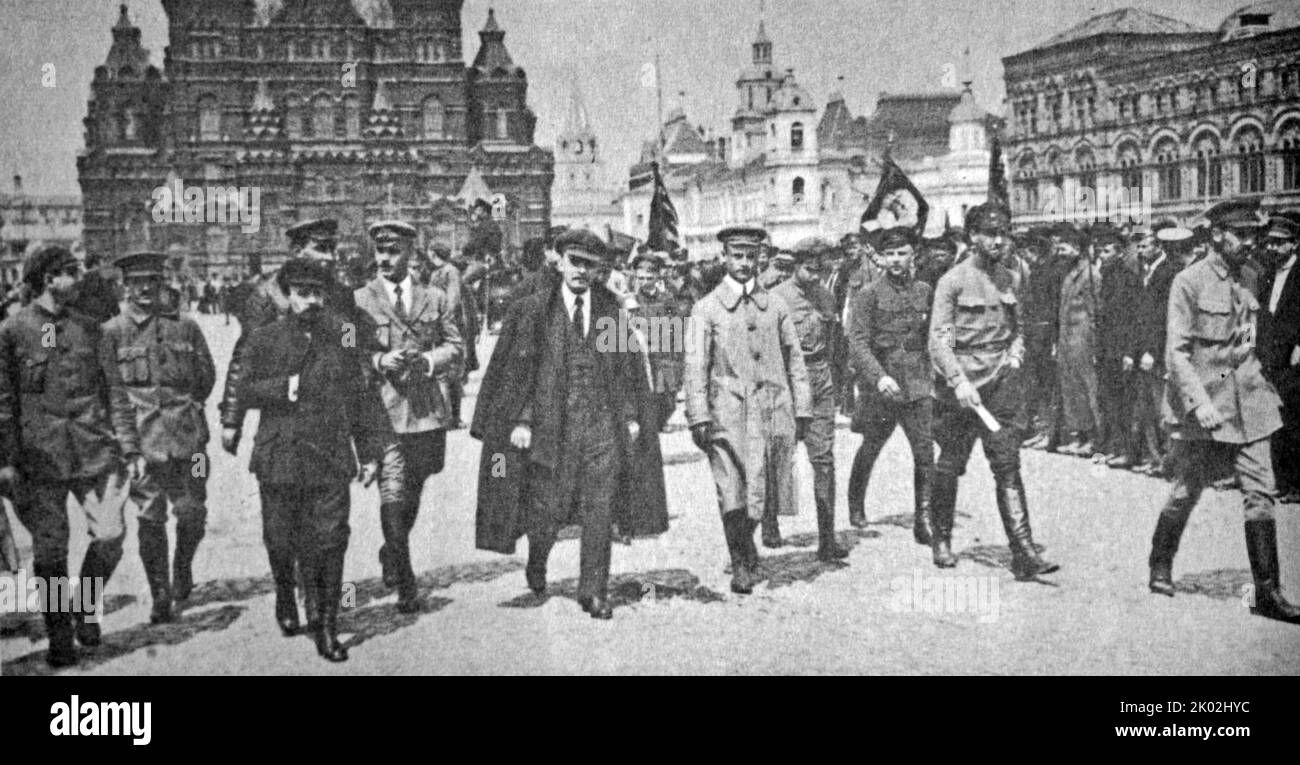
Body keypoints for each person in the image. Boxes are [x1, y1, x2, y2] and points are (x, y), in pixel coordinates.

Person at [472, 229, 667, 619]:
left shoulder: (611, 311)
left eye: (589, 265)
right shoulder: (533, 311)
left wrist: (630, 416)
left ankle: (593, 590)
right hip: (549, 429)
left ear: (598, 270)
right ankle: (538, 559)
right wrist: (520, 420)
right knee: (548, 510)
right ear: (559, 262)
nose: (580, 270)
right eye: (574, 262)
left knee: (600, 506)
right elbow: (517, 372)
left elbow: (627, 370)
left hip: (600, 427)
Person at [1147, 199, 1299, 624]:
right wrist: (1198, 403)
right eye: (1242, 235)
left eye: (1254, 234)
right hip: (1207, 407)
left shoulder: (1252, 275)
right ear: (1217, 235)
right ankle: (1160, 562)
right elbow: (1176, 354)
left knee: (1260, 493)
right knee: (1186, 489)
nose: (1251, 243)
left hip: (1250, 401)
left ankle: (1267, 592)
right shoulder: (1188, 282)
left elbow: (1260, 337)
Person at [0, 246, 144, 667]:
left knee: (112, 534)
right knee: (49, 551)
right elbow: (3, 402)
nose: (78, 279)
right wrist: (6, 459)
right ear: (48, 278)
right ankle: (61, 633)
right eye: (70, 273)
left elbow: (116, 393)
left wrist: (130, 446)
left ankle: (85, 602)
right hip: (38, 457)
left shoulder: (91, 329)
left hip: (93, 450)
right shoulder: (12, 332)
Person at [241, 258, 387, 660]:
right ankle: (286, 593)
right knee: (280, 537)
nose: (312, 301)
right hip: (281, 454)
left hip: (329, 454)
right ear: (287, 296)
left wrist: (370, 451)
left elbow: (361, 392)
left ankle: (326, 626)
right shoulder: (266, 337)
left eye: (318, 293)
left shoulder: (343, 333)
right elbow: (245, 389)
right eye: (303, 293)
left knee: (331, 540)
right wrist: (281, 389)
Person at [929, 204, 1059, 580]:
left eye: (1003, 232)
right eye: (990, 233)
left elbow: (1020, 326)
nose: (999, 240)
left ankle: (1024, 552)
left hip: (1001, 384)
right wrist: (958, 381)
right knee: (950, 464)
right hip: (962, 388)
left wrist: (1016, 353)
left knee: (1007, 465)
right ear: (973, 237)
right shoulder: (952, 281)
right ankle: (941, 538)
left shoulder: (1011, 278)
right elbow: (939, 341)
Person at [684, 225, 811, 594]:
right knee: (732, 490)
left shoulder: (776, 306)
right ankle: (739, 560)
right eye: (736, 256)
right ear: (724, 258)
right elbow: (695, 367)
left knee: (766, 489)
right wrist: (698, 416)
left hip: (773, 409)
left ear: (760, 260)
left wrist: (802, 408)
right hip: (727, 414)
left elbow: (795, 360)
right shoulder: (706, 309)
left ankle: (747, 542)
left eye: (750, 257)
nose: (743, 264)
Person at [353, 221, 463, 613]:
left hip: (426, 411)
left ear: (411, 254)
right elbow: (349, 354)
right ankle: (406, 577)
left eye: (393, 250)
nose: (384, 258)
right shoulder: (360, 301)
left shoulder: (434, 297)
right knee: (393, 490)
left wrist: (430, 360)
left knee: (413, 489)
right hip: (383, 412)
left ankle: (391, 550)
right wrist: (380, 359)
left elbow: (456, 346)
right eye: (380, 250)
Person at [101, 252, 216, 624]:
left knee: (193, 513)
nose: (146, 288)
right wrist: (127, 445)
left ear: (162, 281)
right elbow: (112, 393)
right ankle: (161, 592)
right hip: (143, 445)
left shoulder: (186, 326)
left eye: (152, 280)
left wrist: (191, 408)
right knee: (150, 517)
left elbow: (206, 375)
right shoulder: (112, 332)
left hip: (192, 443)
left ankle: (182, 567)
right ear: (126, 286)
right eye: (137, 282)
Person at [845, 227, 936, 552]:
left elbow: (941, 330)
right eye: (890, 254)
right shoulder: (869, 294)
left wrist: (943, 358)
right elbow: (857, 342)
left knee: (925, 452)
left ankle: (924, 519)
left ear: (914, 255)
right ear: (881, 258)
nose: (896, 260)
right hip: (881, 387)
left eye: (902, 253)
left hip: (917, 382)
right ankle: (855, 504)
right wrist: (878, 377)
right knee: (871, 446)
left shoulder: (926, 290)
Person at [771, 239, 850, 561]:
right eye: (809, 269)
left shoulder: (826, 297)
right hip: (787, 383)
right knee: (778, 457)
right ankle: (769, 520)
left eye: (821, 270)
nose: (816, 276)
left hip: (819, 381)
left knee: (824, 460)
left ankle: (827, 538)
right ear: (795, 266)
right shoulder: (776, 300)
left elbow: (833, 344)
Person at [1130, 224, 1184, 475]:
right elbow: (1139, 316)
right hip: (1144, 352)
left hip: (1159, 352)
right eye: (1138, 246)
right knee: (1146, 407)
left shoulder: (1169, 272)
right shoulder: (1144, 270)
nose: (1140, 251)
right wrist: (1135, 351)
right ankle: (1156, 459)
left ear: (1159, 246)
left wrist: (1152, 350)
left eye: (1145, 245)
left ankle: (1168, 461)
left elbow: (1164, 317)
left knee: (1163, 409)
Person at [1257, 211, 1300, 503]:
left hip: (1293, 357)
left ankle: (1297, 484)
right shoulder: (1267, 274)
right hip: (1270, 358)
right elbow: (1255, 315)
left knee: (1295, 420)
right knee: (1276, 420)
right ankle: (1282, 482)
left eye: (1279, 242)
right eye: (1270, 242)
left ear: (1294, 244)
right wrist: (1248, 347)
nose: (1272, 247)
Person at [1093, 225, 1142, 467]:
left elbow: (1133, 319)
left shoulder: (1128, 278)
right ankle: (1114, 447)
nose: (1102, 255)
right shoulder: (1107, 278)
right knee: (1109, 402)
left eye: (1107, 250)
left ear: (1120, 252)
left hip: (1121, 352)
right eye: (1100, 251)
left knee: (1125, 404)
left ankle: (1128, 451)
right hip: (1106, 351)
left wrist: (1129, 353)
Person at [1054, 224, 1102, 456]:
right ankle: (1079, 436)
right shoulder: (1070, 274)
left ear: (1076, 248)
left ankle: (1095, 438)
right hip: (1067, 340)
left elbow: (1096, 312)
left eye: (1063, 248)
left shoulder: (1091, 274)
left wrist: (1094, 344)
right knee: (1072, 391)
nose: (1060, 253)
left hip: (1084, 340)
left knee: (1088, 390)